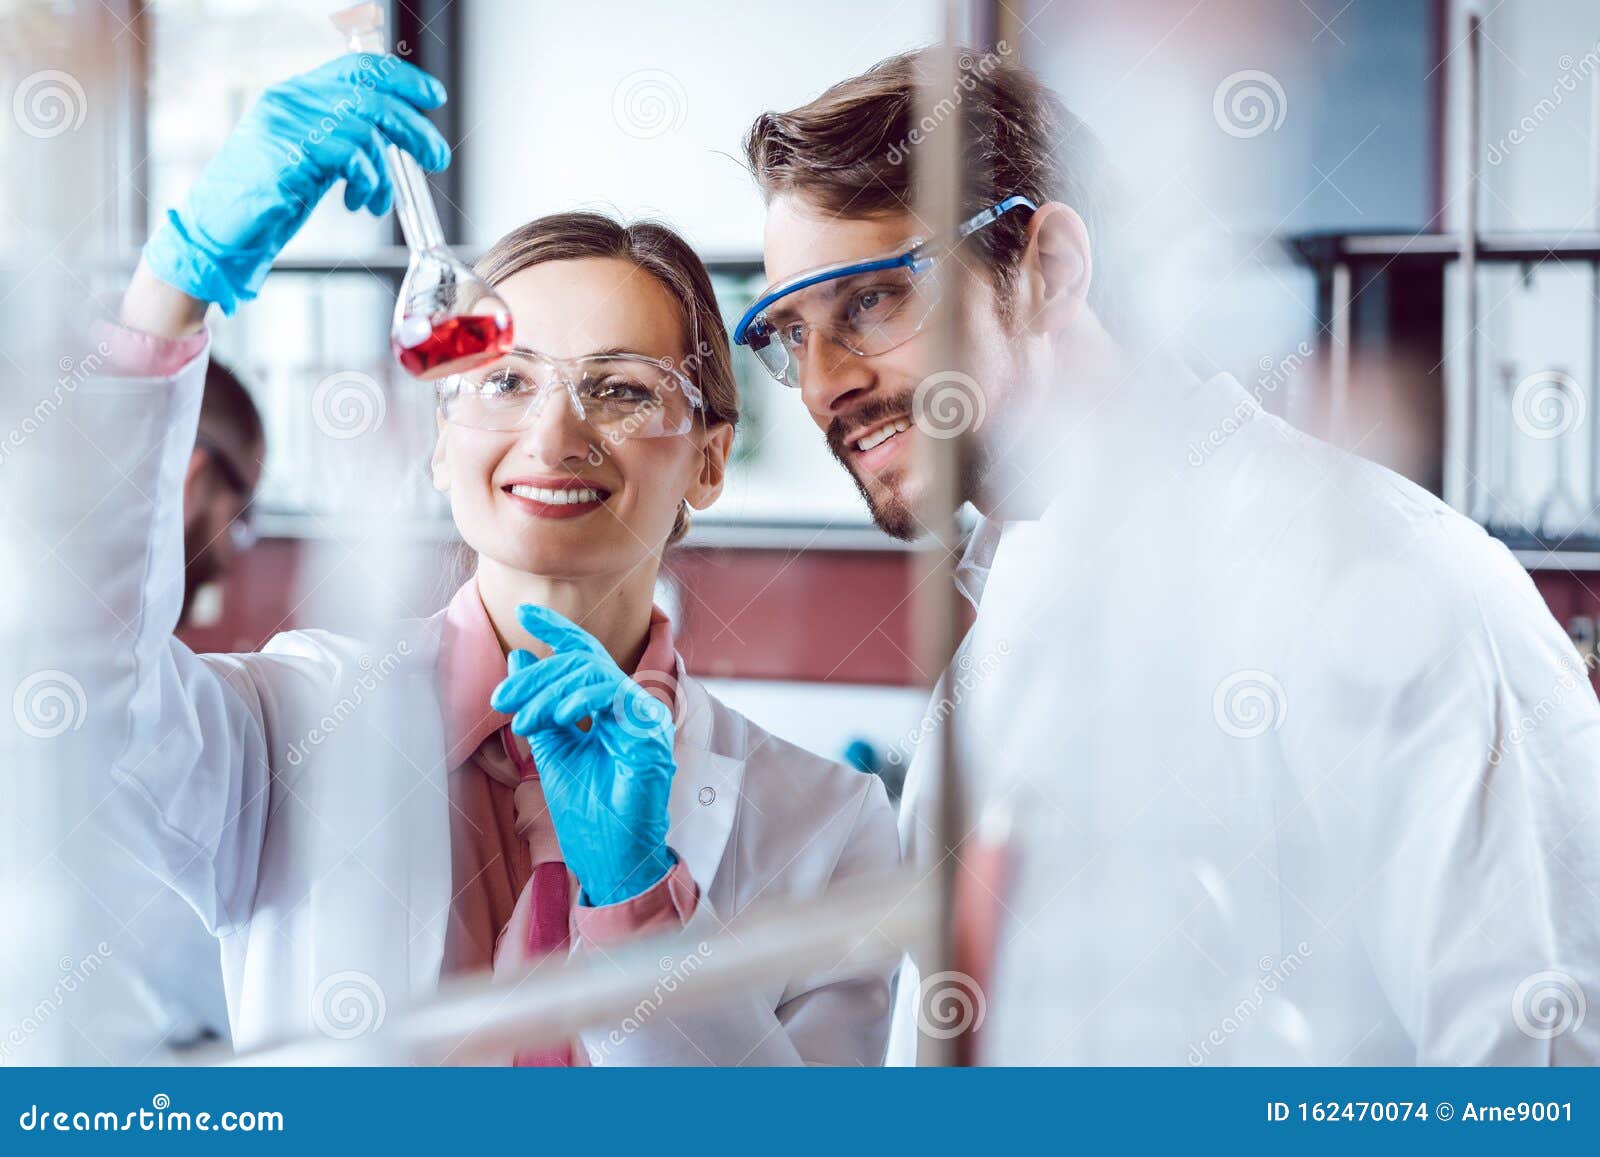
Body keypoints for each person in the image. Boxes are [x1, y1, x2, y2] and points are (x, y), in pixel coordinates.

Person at [738, 49, 1600, 1064]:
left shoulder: (1393, 592)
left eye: (872, 300)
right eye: (790, 335)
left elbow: (1538, 1084)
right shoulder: (1000, 636)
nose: (823, 381)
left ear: (1049, 271)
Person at [70, 54, 896, 1063]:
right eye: (504, 379)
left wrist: (640, 905)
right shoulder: (290, 728)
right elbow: (73, 679)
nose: (554, 436)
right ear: (438, 438)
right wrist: (167, 292)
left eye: (623, 389)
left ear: (710, 460)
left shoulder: (827, 822)